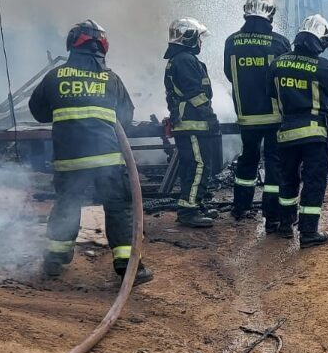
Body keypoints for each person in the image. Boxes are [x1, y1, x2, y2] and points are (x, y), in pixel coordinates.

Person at [29, 19, 152, 284]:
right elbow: (126, 117)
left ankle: (55, 259)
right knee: (118, 207)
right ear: (103, 47)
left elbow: (38, 112)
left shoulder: (55, 77)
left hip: (69, 160)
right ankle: (128, 266)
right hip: (107, 159)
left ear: (72, 44)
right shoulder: (111, 79)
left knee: (67, 204)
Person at [269, 14, 328, 248]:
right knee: (313, 182)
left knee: (287, 180)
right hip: (314, 135)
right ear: (322, 42)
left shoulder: (277, 63)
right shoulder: (322, 66)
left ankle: (285, 225)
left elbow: (271, 92)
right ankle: (308, 232)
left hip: (286, 134)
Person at [224, 0, 291, 231]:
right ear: (270, 14)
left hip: (246, 115)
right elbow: (286, 76)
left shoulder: (231, 42)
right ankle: (272, 216)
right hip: (274, 116)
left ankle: (241, 207)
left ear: (246, 12)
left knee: (248, 159)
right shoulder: (279, 43)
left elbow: (229, 73)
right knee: (274, 163)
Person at [164, 17, 219, 228]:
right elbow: (195, 94)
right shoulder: (185, 60)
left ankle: (194, 203)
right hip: (193, 123)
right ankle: (189, 211)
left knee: (192, 166)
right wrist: (210, 117)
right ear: (188, 37)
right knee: (198, 166)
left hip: (189, 123)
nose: (200, 42)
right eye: (198, 37)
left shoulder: (180, 59)